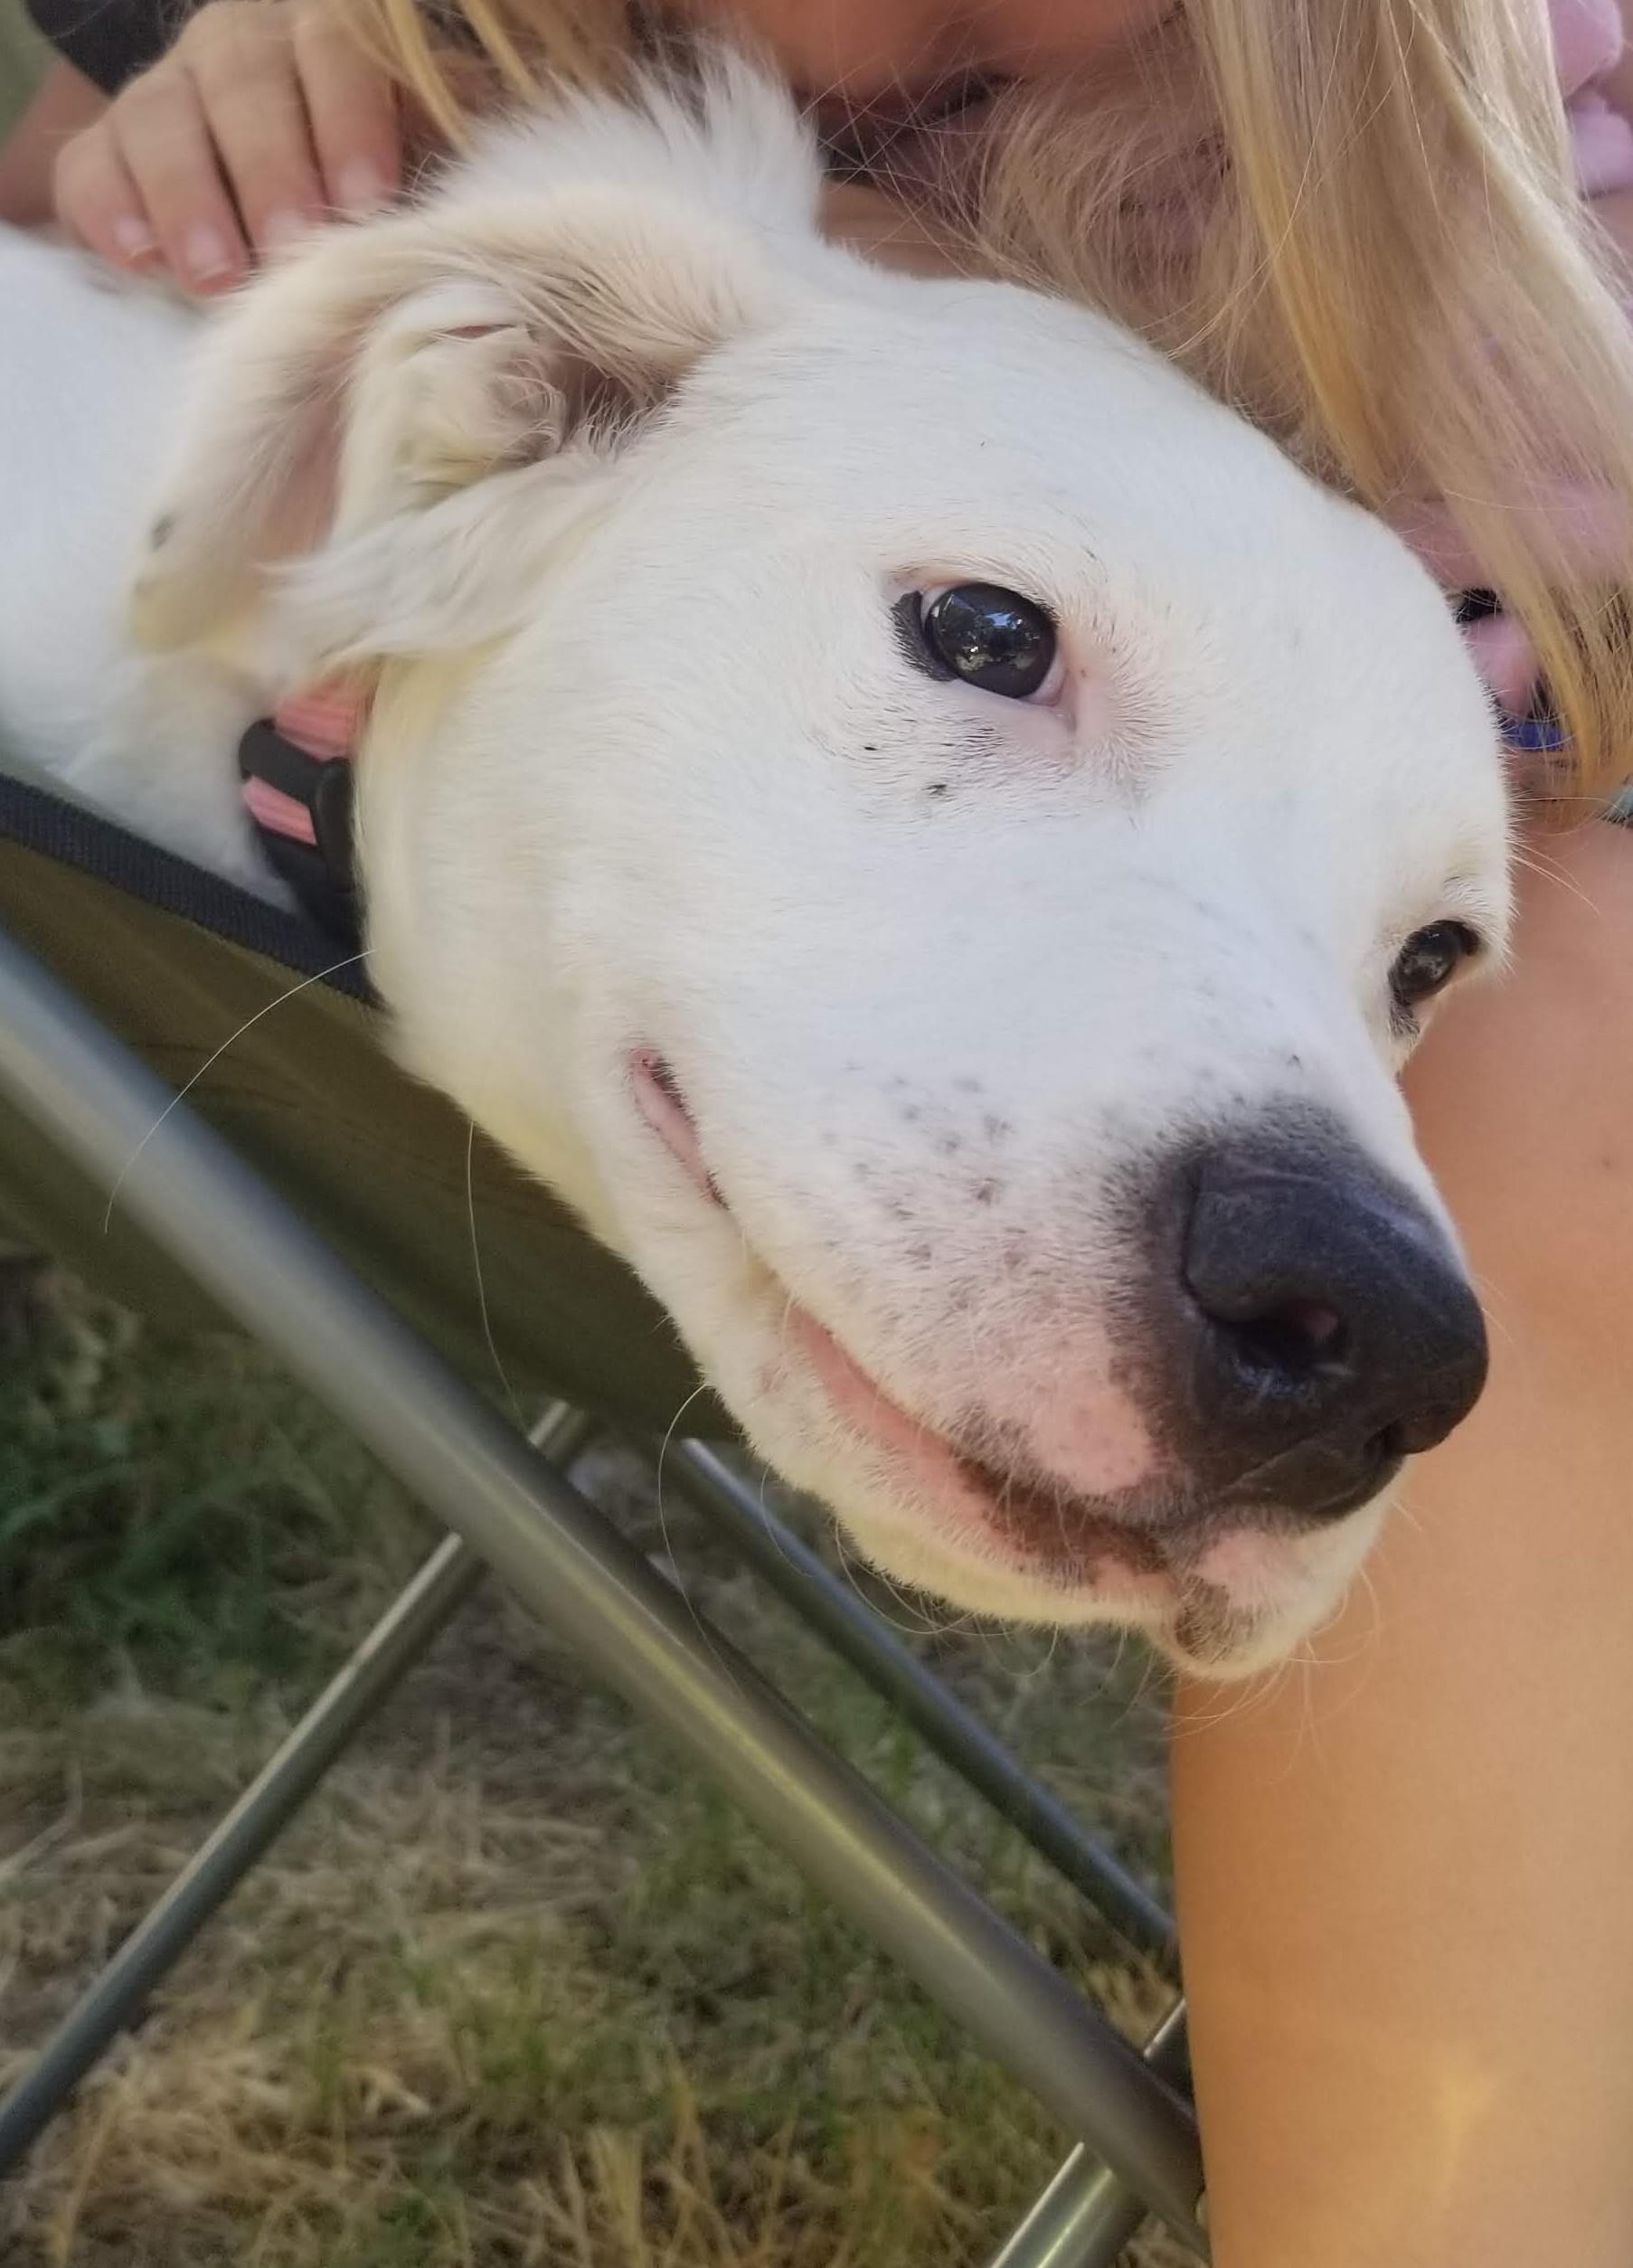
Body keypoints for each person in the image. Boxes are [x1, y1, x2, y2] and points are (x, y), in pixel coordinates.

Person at [6, 5, 1633, 2261]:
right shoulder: (466, 229)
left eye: (1410, 961)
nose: (1345, 1280)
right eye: (980, 646)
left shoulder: (1497, 242)